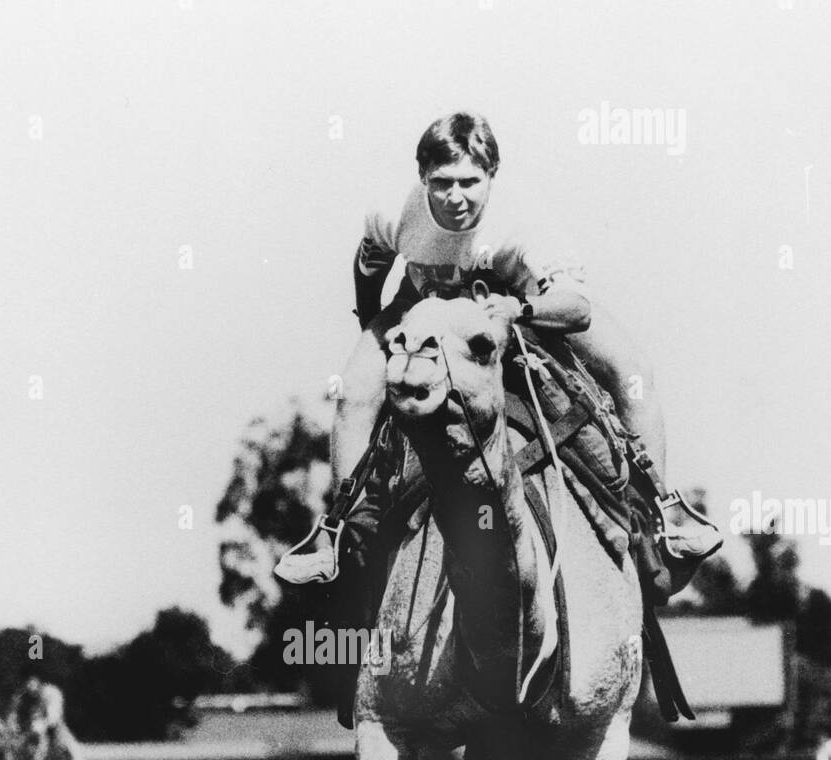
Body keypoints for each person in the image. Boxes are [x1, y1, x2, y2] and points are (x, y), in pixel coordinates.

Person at [275, 110, 720, 600]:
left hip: (515, 303)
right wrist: (372, 329)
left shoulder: (524, 221)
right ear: (422, 177)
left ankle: (661, 513)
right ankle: (339, 535)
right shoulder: (392, 211)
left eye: (469, 182)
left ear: (492, 175)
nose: (455, 197)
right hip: (425, 304)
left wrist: (519, 307)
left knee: (629, 369)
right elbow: (370, 263)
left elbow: (577, 309)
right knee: (355, 390)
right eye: (441, 183)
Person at [6, 676, 88, 760]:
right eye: (28, 683)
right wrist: (20, 730)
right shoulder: (20, 696)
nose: (32, 687)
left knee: (77, 752)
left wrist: (41, 725)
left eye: (34, 682)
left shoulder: (52, 692)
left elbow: (54, 719)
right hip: (31, 736)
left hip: (56, 734)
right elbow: (13, 720)